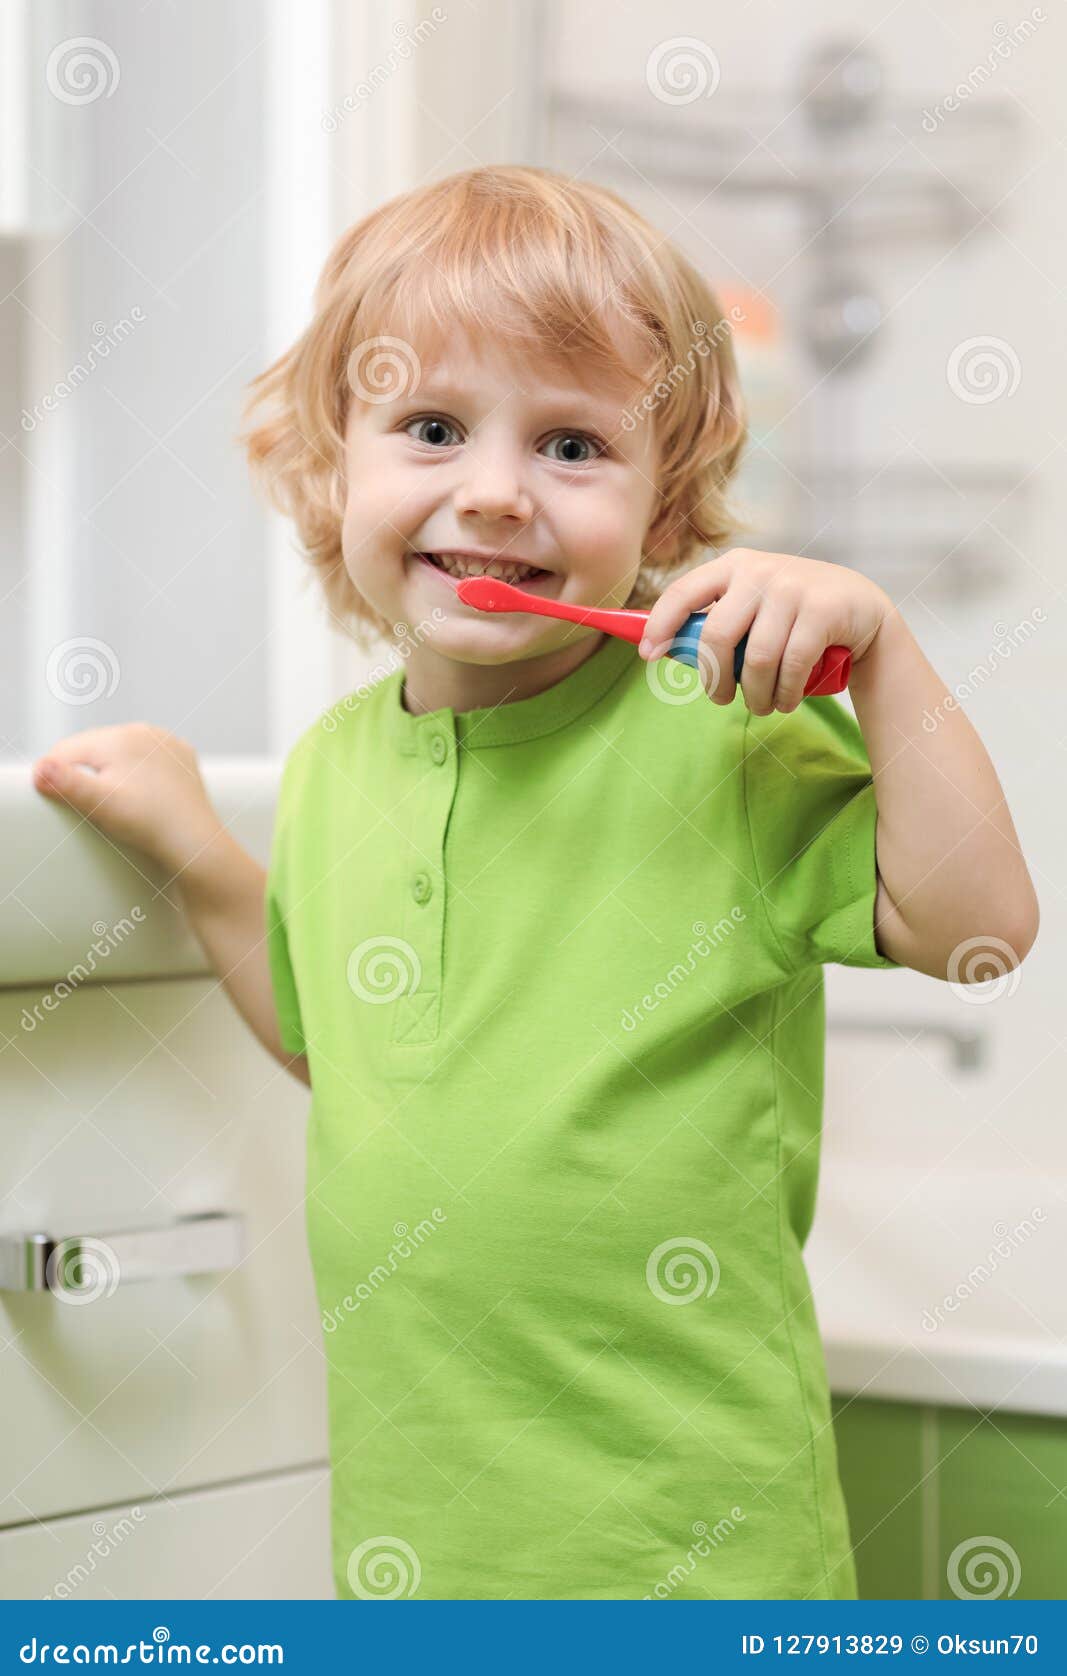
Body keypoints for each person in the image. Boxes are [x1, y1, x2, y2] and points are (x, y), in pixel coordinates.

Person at [31, 164, 1039, 1600]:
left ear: (663, 512)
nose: (496, 491)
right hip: (423, 1552)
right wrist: (196, 848)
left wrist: (882, 654)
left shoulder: (721, 740)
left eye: (572, 445)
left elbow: (980, 927)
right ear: (335, 467)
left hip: (700, 1560)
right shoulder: (333, 768)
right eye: (432, 428)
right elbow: (328, 1040)